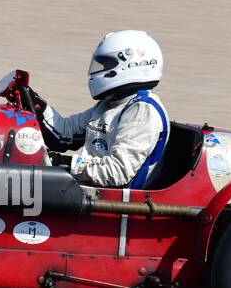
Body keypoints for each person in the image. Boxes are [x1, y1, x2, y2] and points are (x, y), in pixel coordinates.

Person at [31, 30, 170, 189]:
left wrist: (66, 163)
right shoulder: (110, 104)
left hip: (116, 206)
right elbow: (64, 135)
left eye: (107, 65)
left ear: (131, 64)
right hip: (89, 193)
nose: (99, 70)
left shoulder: (142, 110)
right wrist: (38, 108)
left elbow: (117, 172)